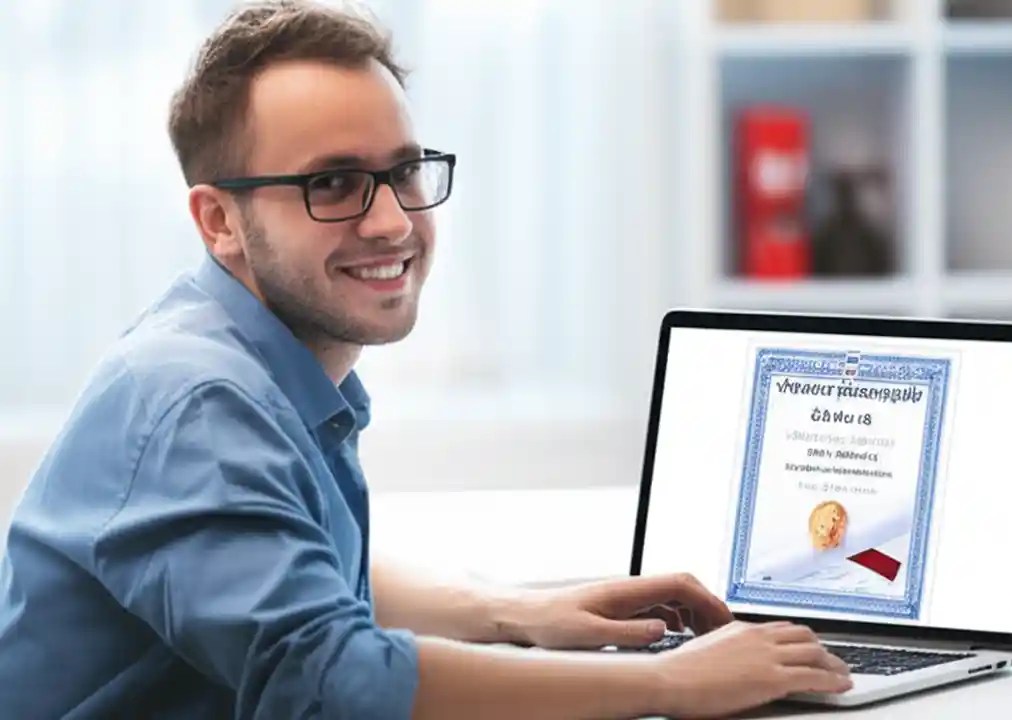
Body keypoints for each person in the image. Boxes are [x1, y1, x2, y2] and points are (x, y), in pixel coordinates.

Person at [0, 1, 851, 718]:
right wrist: (668, 680)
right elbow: (327, 678)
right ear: (219, 221)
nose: (394, 222)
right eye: (331, 184)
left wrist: (517, 614)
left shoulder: (241, 354)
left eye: (405, 172)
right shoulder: (199, 401)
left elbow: (295, 564)